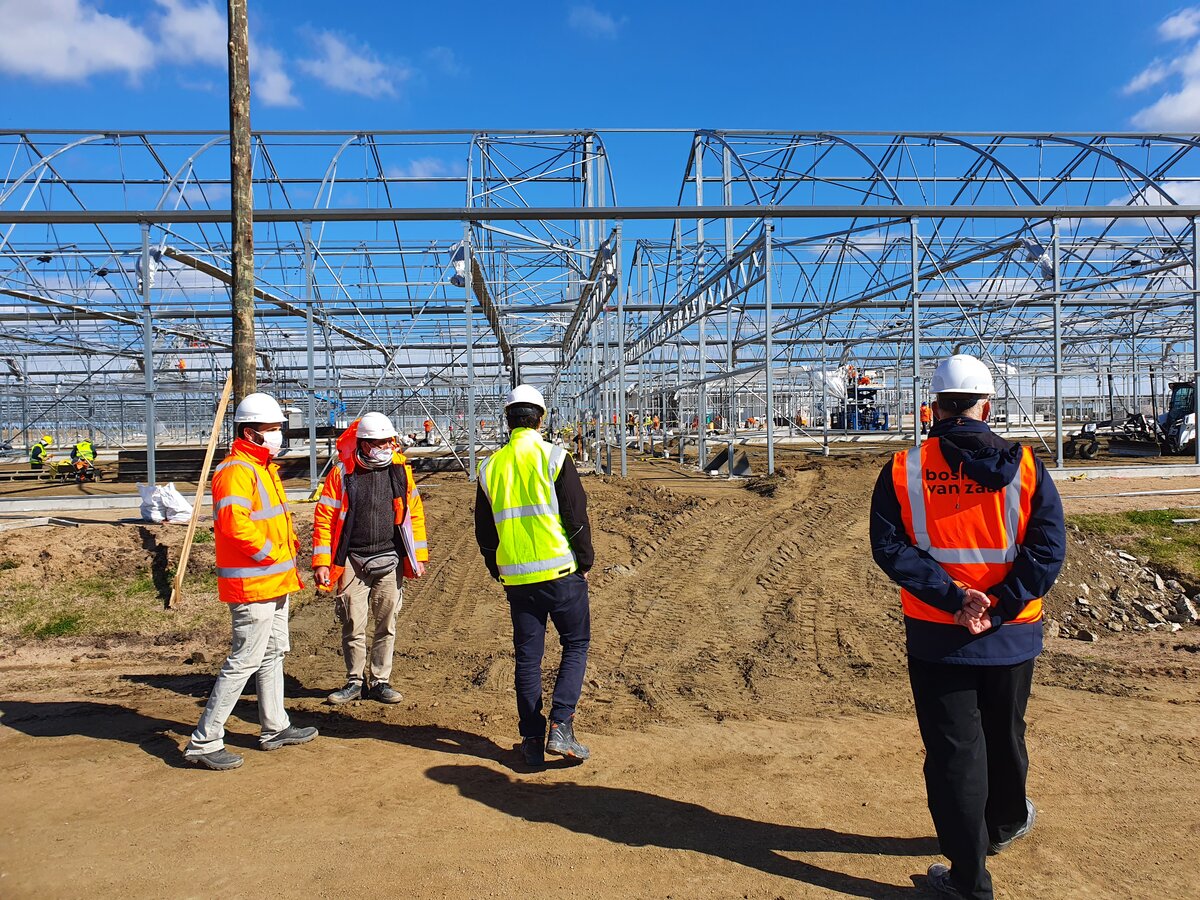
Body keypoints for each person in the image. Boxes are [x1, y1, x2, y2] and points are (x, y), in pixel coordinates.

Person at [869, 355, 1065, 900]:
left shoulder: (903, 470)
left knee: (955, 751)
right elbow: (1048, 549)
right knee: (1005, 733)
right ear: (988, 405)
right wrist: (998, 605)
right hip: (1012, 632)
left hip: (938, 634)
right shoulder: (1026, 467)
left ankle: (969, 879)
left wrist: (956, 600)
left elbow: (890, 549)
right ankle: (1003, 825)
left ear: (933, 406)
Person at [184, 392, 317, 771]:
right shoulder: (236, 470)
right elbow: (233, 524)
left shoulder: (262, 467)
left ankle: (274, 727)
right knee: (244, 660)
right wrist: (270, 554)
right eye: (271, 428)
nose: (278, 434)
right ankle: (204, 740)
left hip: (274, 583)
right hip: (254, 584)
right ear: (250, 432)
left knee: (274, 654)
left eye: (278, 427)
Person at [475, 384, 594, 767]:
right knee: (575, 644)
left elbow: (485, 531)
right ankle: (561, 726)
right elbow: (575, 518)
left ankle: (530, 739)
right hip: (561, 573)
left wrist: (499, 568)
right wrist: (584, 560)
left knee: (528, 658)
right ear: (541, 420)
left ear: (508, 421)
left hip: (518, 580)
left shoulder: (490, 467)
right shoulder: (554, 457)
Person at [312, 412, 429, 705]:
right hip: (352, 559)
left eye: (389, 441)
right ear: (363, 444)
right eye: (379, 442)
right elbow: (324, 519)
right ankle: (354, 680)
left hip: (388, 556)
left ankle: (380, 681)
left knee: (386, 622)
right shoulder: (342, 473)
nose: (386, 447)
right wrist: (322, 563)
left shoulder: (399, 471)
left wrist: (419, 556)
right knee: (353, 622)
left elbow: (414, 513)